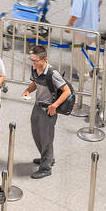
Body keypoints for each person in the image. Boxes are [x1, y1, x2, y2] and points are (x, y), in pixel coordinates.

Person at [23, 45, 72, 178]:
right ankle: (47, 157)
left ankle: (46, 167)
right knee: (36, 133)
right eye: (31, 59)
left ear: (45, 59)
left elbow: (67, 91)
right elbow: (35, 83)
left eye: (35, 60)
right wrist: (28, 90)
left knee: (46, 138)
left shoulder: (52, 74)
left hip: (48, 110)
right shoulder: (35, 69)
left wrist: (54, 105)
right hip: (37, 106)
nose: (32, 63)